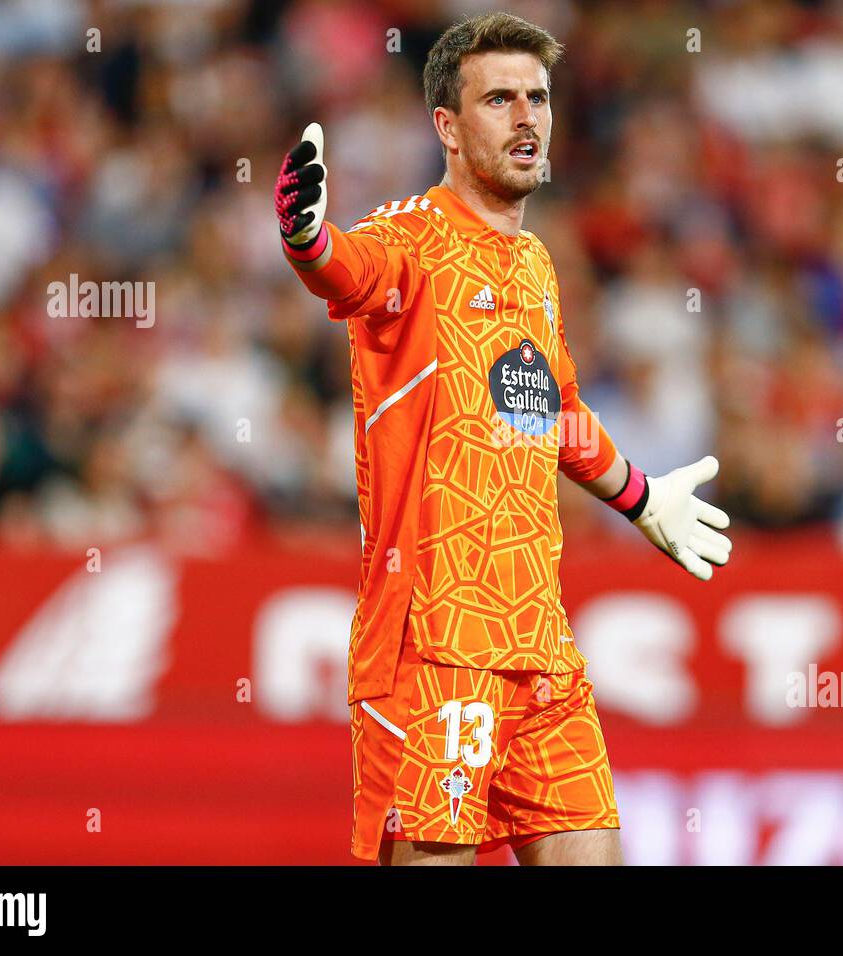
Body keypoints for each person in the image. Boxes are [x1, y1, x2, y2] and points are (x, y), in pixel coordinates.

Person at [275, 11, 732, 866]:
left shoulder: (533, 263)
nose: (527, 117)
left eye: (538, 97)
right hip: (437, 643)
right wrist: (306, 237)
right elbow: (344, 267)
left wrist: (640, 496)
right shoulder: (410, 238)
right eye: (499, 100)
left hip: (540, 645)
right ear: (447, 126)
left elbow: (546, 409)